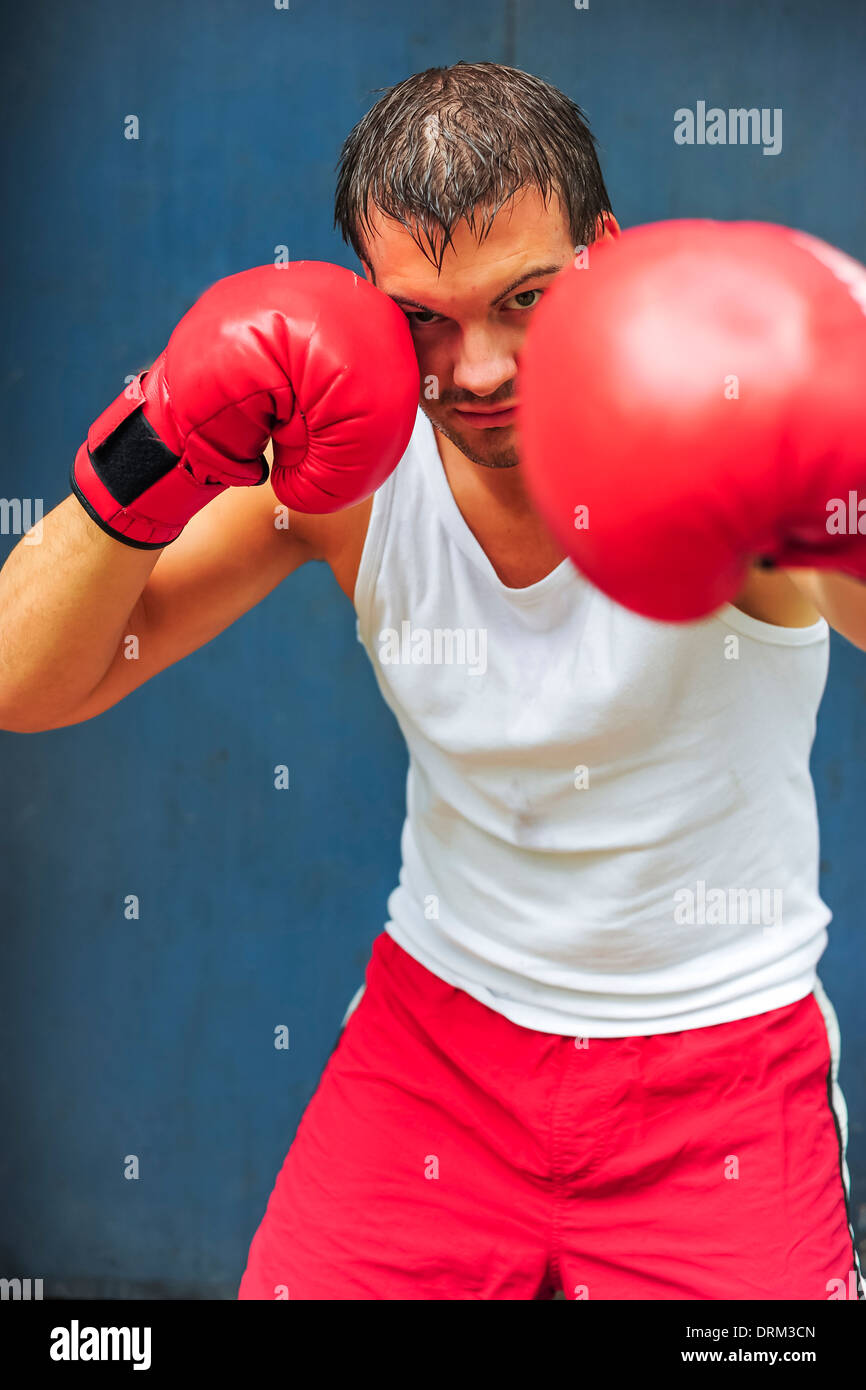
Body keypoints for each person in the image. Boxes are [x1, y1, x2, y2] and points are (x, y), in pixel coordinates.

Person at [0, 60, 862, 1301]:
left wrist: (833, 487)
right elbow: (35, 682)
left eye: (525, 298)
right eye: (425, 322)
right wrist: (163, 436)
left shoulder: (714, 425)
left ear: (602, 255)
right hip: (439, 1045)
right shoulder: (346, 470)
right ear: (365, 309)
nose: (478, 370)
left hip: (719, 1063)